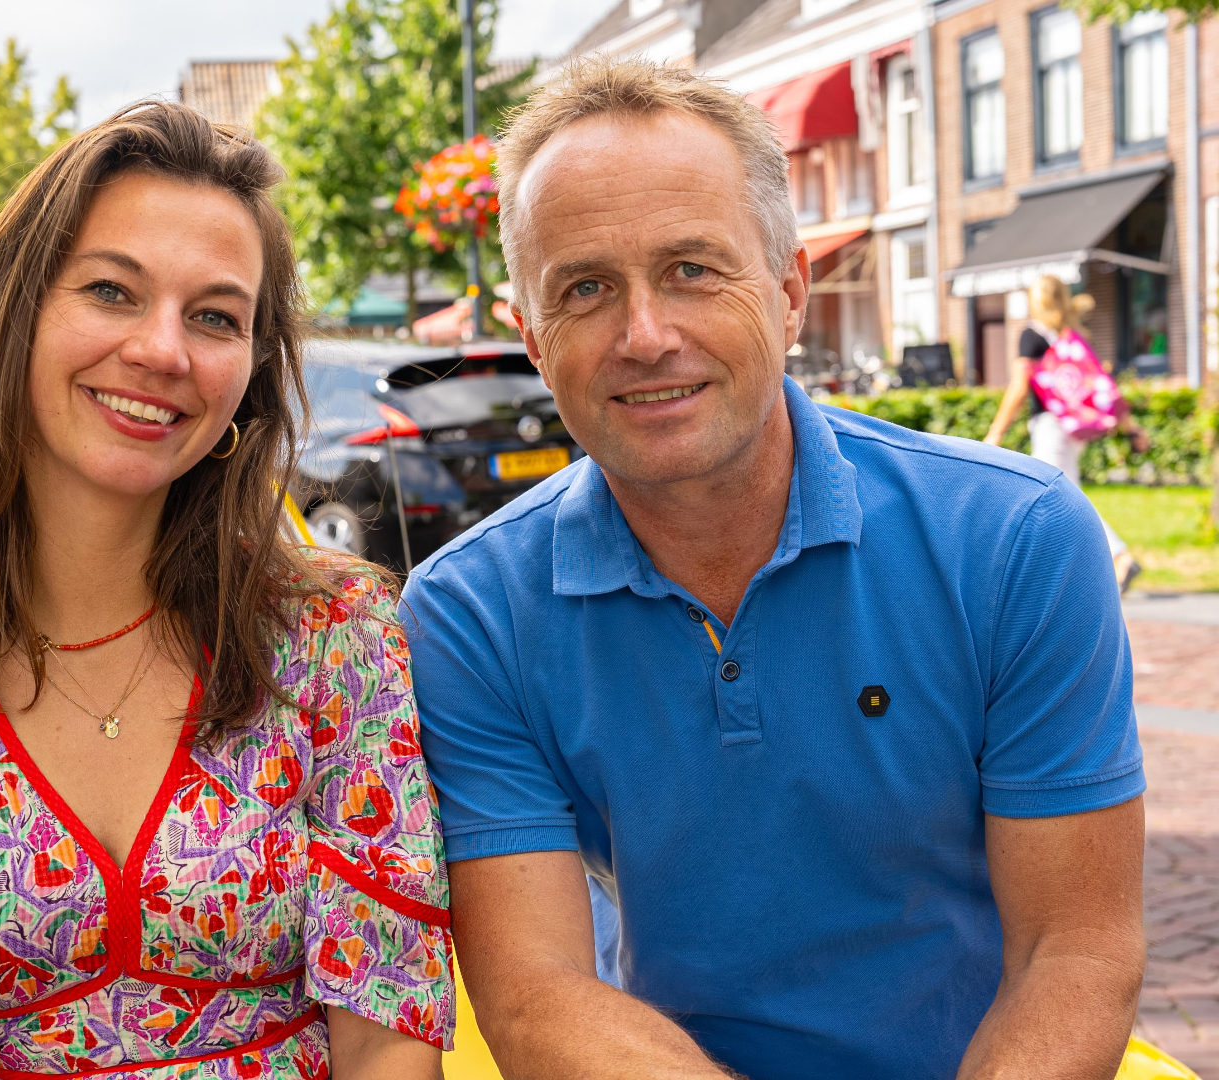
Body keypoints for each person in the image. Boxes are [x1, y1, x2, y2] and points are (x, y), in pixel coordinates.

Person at [405, 56, 1144, 1080]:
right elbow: (536, 996)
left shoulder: (1015, 538)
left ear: (791, 294)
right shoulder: (468, 614)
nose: (645, 336)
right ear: (532, 338)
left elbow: (1076, 951)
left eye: (692, 270)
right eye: (585, 289)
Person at [0, 102, 454, 1080]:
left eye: (215, 316)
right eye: (112, 291)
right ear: (15, 314)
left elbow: (385, 1038)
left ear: (248, 374)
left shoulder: (335, 641)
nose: (164, 350)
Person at [983, 275, 1147, 590]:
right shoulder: (1071, 336)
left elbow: (1019, 387)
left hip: (1050, 427)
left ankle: (1118, 556)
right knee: (1063, 496)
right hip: (1073, 428)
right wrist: (1131, 427)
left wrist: (995, 432)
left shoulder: (1032, 335)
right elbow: (1101, 387)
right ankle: (1077, 570)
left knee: (1052, 497)